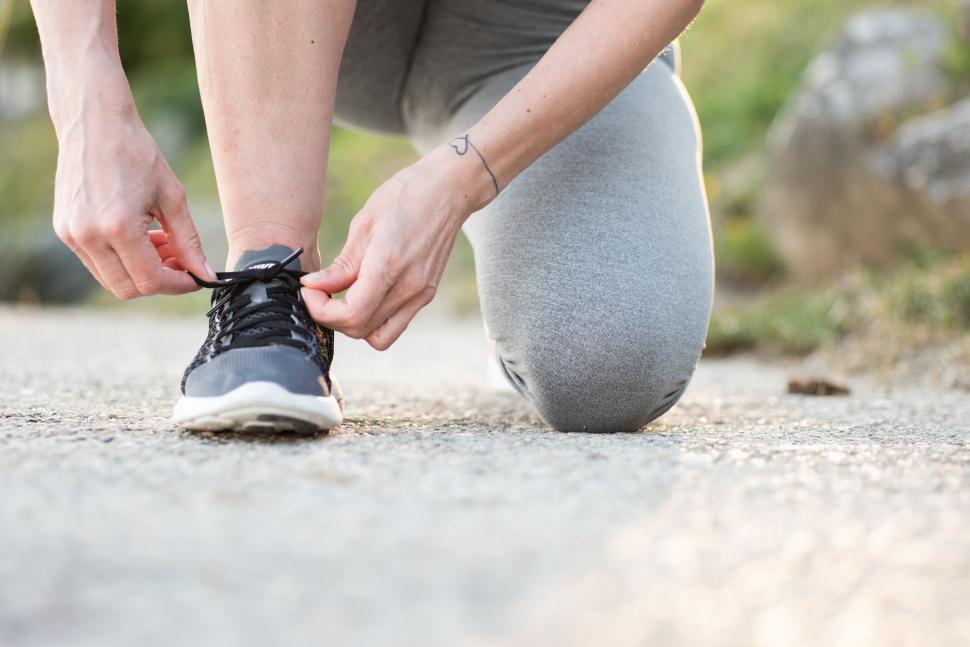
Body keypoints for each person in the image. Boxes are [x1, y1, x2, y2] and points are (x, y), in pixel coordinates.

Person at [29, 0, 714, 433]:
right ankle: (267, 289)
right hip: (303, 26)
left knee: (603, 363)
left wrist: (463, 179)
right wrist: (84, 95)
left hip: (544, 29)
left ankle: (517, 276)